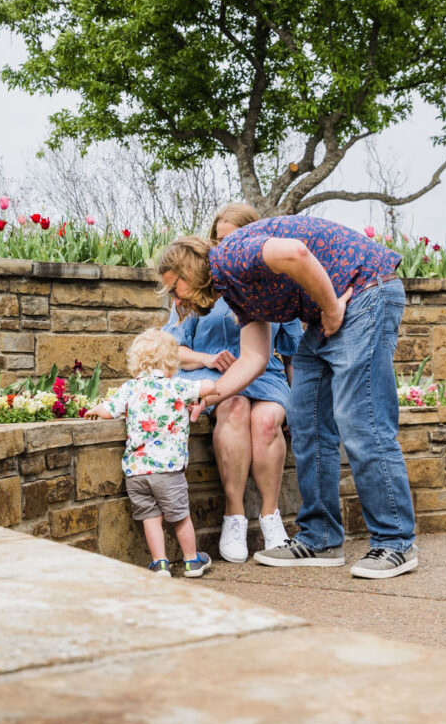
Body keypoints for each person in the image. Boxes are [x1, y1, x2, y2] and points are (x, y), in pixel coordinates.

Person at [156, 216, 417, 580]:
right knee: (305, 419)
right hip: (334, 310)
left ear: (190, 271)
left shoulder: (230, 256)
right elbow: (254, 358)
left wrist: (331, 309)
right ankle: (320, 539)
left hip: (366, 293)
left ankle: (396, 542)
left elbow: (295, 252)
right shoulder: (236, 291)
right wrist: (209, 397)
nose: (175, 299)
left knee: (362, 421)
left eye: (175, 287)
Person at [164, 202, 292, 563]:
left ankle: (270, 517)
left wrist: (299, 406)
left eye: (235, 239)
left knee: (266, 420)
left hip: (265, 377)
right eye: (220, 240)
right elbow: (170, 350)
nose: (226, 247)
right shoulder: (198, 288)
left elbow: (291, 352)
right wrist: (205, 359)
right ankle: (234, 517)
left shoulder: (270, 285)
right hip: (214, 377)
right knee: (234, 407)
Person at [85, 328, 215, 578]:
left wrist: (93, 410)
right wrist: (213, 390)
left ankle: (160, 563)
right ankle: (191, 561)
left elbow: (107, 410)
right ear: (171, 362)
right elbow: (208, 386)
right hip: (168, 470)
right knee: (180, 517)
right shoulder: (177, 386)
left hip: (137, 471)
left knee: (151, 518)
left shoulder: (130, 388)